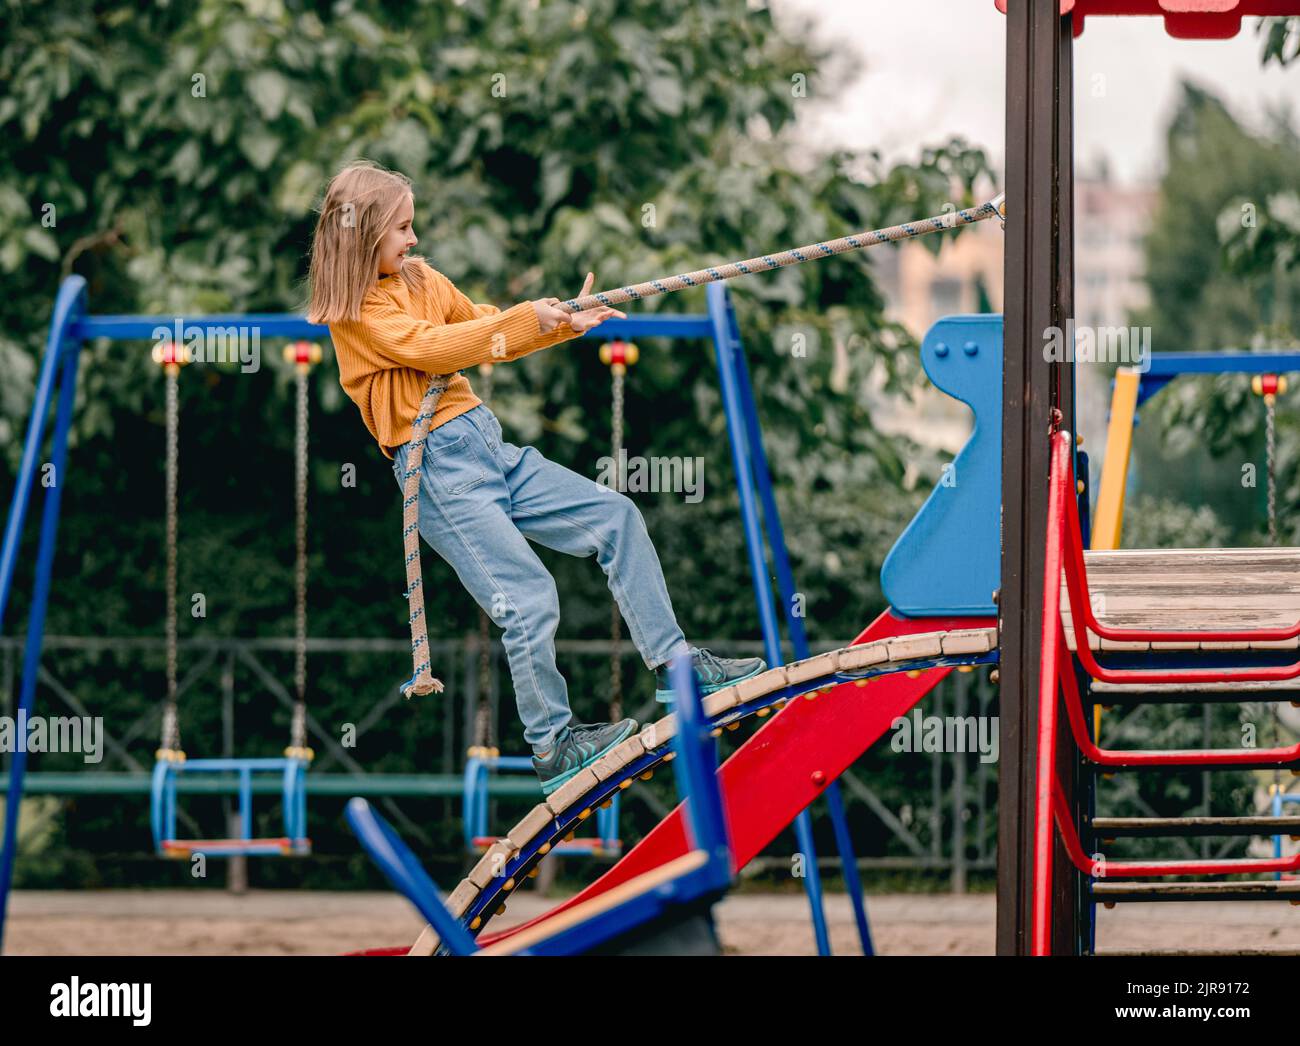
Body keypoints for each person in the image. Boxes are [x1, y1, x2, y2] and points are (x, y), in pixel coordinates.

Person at [306, 160, 764, 794]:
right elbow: (433, 348)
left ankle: (676, 666)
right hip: (439, 470)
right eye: (403, 228)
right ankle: (554, 745)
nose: (414, 240)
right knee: (528, 600)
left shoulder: (421, 279)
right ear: (365, 234)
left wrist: (559, 325)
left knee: (616, 517)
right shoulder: (357, 312)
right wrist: (526, 317)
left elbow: (480, 330)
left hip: (486, 445)